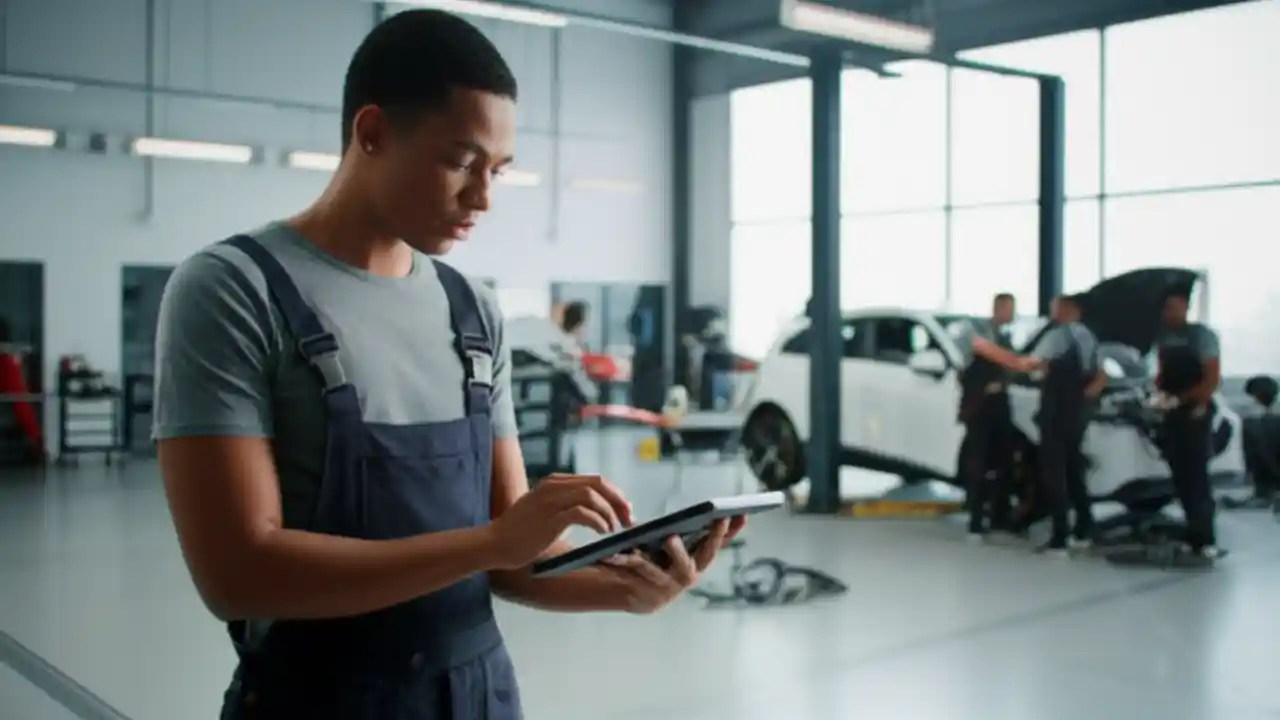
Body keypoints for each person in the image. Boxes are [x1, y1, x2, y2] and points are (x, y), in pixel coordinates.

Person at [152, 11, 744, 719]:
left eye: (497, 171)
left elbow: (512, 562)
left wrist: (627, 587)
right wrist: (491, 541)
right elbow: (239, 574)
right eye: (461, 162)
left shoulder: (473, 311)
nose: (483, 199)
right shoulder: (233, 291)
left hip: (478, 697)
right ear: (371, 133)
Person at [1027, 294, 1107, 555]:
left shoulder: (1058, 336)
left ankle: (1060, 537)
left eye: (1058, 308)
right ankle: (1085, 528)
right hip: (1077, 412)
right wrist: (1085, 397)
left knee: (1054, 472)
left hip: (1056, 411)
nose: (1054, 313)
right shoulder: (1089, 337)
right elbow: (1100, 376)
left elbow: (1035, 367)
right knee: (1074, 470)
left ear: (1071, 310)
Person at [955, 293, 1037, 539]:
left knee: (1003, 461)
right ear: (999, 308)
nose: (1012, 315)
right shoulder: (975, 332)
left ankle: (1000, 516)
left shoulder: (1005, 336)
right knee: (978, 462)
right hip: (980, 408)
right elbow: (991, 360)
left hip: (1000, 407)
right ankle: (976, 520)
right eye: (1010, 309)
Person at [1154, 287, 1223, 558]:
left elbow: (1211, 379)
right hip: (1172, 411)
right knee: (1180, 475)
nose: (1167, 313)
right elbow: (1161, 374)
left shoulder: (1201, 336)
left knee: (1196, 476)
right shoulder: (1163, 337)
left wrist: (1190, 401)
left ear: (1185, 306)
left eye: (1171, 307)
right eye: (1164, 308)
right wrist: (1160, 394)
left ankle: (1206, 538)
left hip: (1196, 411)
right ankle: (1192, 534)